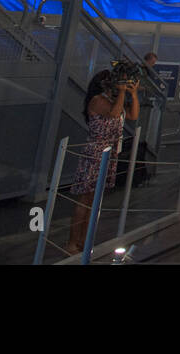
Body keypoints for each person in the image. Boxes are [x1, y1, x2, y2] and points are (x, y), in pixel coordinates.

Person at [65, 69, 138, 253]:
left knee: (94, 201)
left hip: (108, 153)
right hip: (95, 153)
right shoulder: (97, 101)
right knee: (85, 199)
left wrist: (133, 94)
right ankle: (73, 242)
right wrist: (122, 93)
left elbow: (133, 115)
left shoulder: (114, 101)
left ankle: (84, 239)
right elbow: (114, 114)